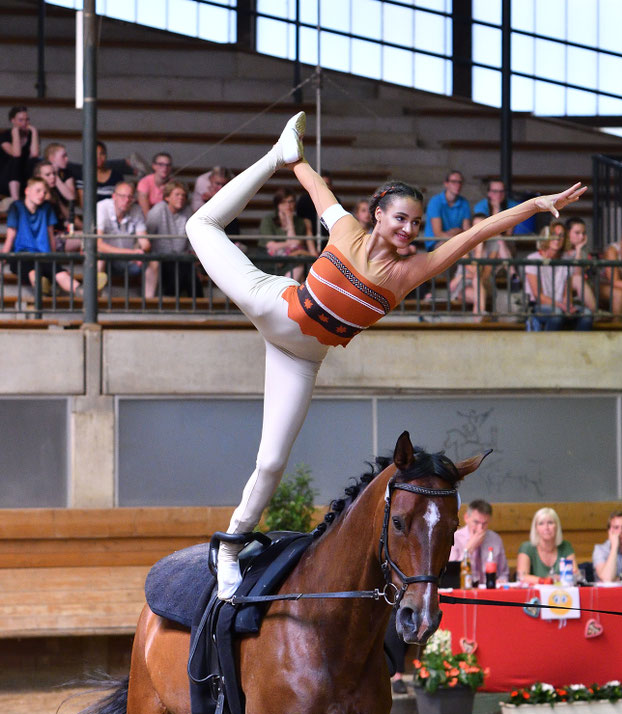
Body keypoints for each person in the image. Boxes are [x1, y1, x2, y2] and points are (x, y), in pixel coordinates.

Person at [185, 111, 585, 598]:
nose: (409, 229)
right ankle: (269, 152)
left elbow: (476, 234)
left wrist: (537, 205)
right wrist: (287, 158)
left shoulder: (411, 270)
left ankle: (228, 548)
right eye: (401, 218)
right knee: (201, 223)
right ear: (379, 214)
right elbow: (310, 181)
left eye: (416, 223)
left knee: (271, 463)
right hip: (271, 301)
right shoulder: (345, 229)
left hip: (300, 359)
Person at [2, 177, 100, 298]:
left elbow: (50, 236)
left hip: (45, 256)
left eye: (44, 192)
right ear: (27, 191)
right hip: (22, 256)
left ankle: (86, 293)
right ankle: (47, 290)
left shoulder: (47, 208)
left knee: (61, 274)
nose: (42, 195)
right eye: (38, 191)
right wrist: (3, 259)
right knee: (33, 273)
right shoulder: (16, 207)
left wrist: (54, 257)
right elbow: (10, 236)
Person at [524, 222, 593, 330]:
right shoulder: (532, 259)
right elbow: (538, 295)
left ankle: (578, 346)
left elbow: (567, 293)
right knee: (557, 315)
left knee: (587, 314)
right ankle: (550, 346)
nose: (557, 238)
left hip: (561, 306)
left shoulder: (566, 260)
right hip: (539, 306)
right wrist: (561, 306)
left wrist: (568, 305)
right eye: (553, 234)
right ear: (546, 236)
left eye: (561, 235)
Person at [145, 180, 199, 298]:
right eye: (177, 194)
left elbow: (191, 237)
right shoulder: (158, 210)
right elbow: (147, 235)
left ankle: (200, 305)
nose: (181, 198)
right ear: (167, 197)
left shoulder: (188, 211)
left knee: (189, 269)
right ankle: (170, 301)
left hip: (181, 256)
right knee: (177, 269)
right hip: (161, 257)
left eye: (184, 195)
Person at [96, 180, 151, 283]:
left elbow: (145, 243)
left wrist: (140, 251)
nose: (126, 200)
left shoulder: (136, 210)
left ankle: (149, 299)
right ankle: (95, 298)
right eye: (122, 196)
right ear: (114, 196)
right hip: (108, 260)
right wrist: (132, 253)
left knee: (153, 263)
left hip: (127, 261)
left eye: (130, 197)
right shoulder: (102, 207)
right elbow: (99, 244)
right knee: (100, 258)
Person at [258, 187, 317, 282]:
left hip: (290, 260)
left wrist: (290, 222)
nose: (288, 205)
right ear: (278, 205)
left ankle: (287, 291)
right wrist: (292, 244)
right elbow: (271, 245)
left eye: (291, 202)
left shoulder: (301, 222)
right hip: (269, 260)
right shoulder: (268, 219)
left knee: (299, 263)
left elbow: (305, 250)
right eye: (284, 202)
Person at [449, 499, 508, 585]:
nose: (480, 528)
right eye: (476, 522)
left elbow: (504, 573)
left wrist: (502, 580)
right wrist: (469, 548)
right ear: (466, 518)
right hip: (463, 589)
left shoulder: (495, 539)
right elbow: (451, 574)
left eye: (485, 523)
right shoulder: (455, 538)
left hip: (489, 589)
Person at [516, 507, 577, 584]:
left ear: (557, 527)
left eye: (550, 523)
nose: (546, 528)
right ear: (536, 528)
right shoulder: (527, 547)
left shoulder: (566, 546)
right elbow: (522, 577)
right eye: (541, 523)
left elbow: (575, 574)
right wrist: (546, 581)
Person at [423, 170, 471, 251]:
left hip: (457, 240)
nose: (458, 185)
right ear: (446, 184)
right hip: (436, 243)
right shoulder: (435, 201)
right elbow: (438, 234)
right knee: (456, 248)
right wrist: (458, 232)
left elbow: (467, 231)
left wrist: (457, 232)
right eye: (454, 182)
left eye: (460, 182)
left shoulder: (464, 202)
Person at [0, 105, 40, 200]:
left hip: (24, 179)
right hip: (6, 180)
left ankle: (34, 195)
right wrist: (15, 133)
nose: (25, 123)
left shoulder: (30, 136)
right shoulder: (5, 136)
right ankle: (15, 200)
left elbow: (34, 154)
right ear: (13, 121)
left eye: (27, 120)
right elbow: (16, 154)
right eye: (21, 120)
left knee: (34, 161)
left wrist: (34, 132)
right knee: (16, 160)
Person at [76, 140, 127, 209]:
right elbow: (83, 204)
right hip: (91, 216)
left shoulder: (117, 176)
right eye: (95, 154)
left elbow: (120, 201)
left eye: (102, 154)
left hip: (112, 216)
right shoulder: (83, 175)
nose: (99, 157)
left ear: (106, 155)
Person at [136, 152, 173, 217]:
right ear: (154, 166)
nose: (165, 168)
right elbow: (146, 213)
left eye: (168, 165)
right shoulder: (144, 182)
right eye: (161, 164)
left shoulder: (173, 184)